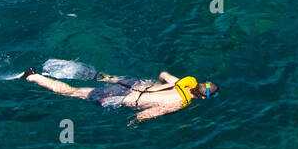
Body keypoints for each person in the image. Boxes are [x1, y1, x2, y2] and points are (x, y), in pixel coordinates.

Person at [19, 65, 217, 122]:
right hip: (123, 98)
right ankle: (32, 77)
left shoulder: (186, 81)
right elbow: (144, 114)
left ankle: (87, 73)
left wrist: (155, 85)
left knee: (104, 77)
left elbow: (164, 74)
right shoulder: (179, 104)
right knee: (73, 93)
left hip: (133, 84)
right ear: (201, 97)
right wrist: (133, 124)